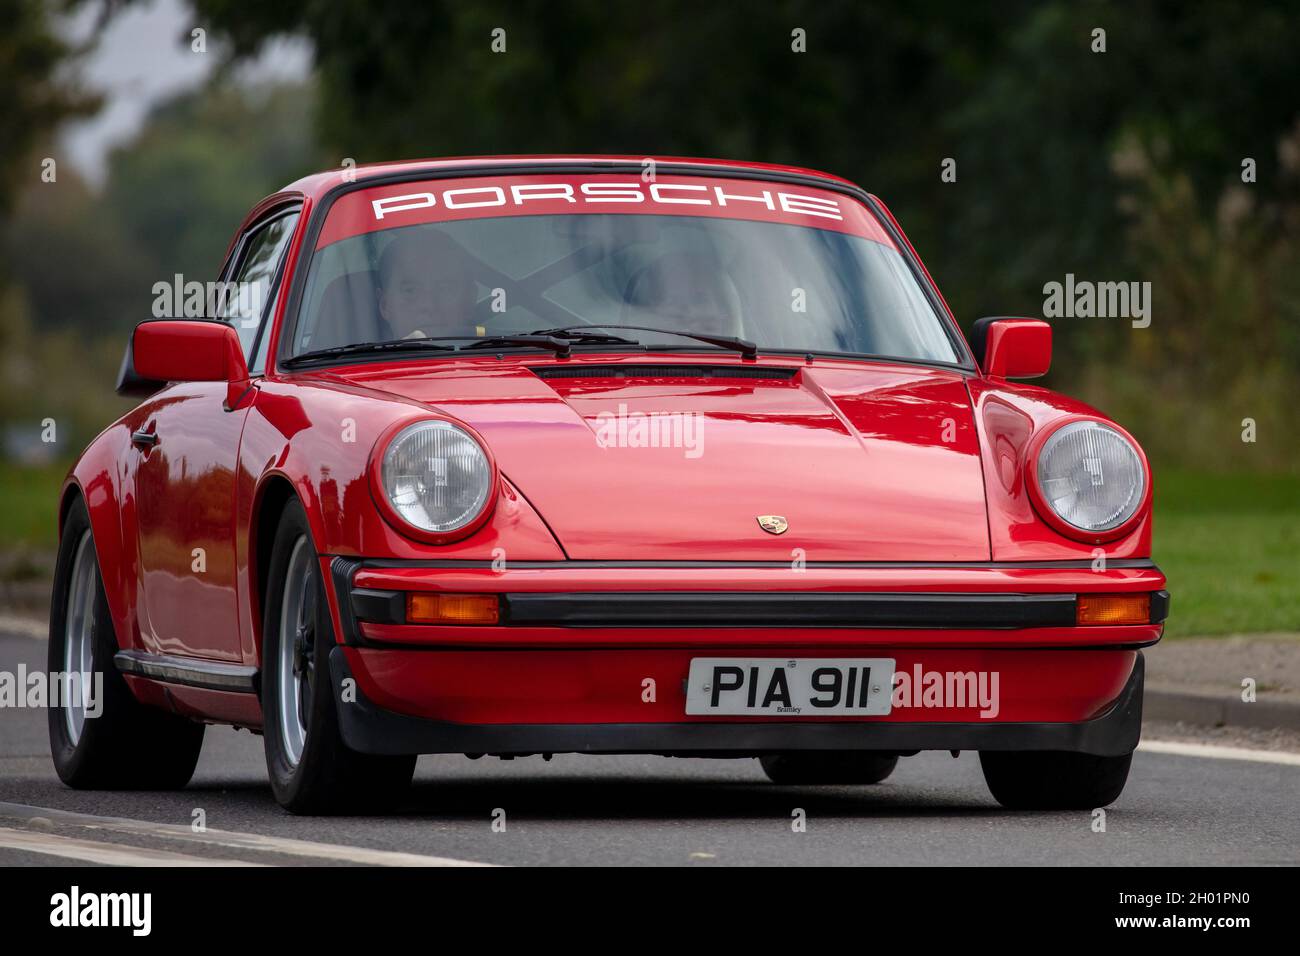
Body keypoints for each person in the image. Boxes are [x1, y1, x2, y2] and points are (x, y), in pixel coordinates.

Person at [375, 229, 481, 339]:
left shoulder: (498, 350)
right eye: (411, 291)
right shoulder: (359, 356)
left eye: (444, 289)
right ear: (385, 305)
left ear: (469, 299)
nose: (429, 305)